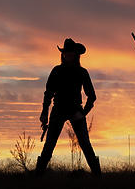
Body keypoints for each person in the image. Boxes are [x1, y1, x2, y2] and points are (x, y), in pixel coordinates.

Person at [34, 38, 100, 176]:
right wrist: (44, 113)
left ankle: (97, 176)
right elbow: (48, 94)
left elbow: (92, 96)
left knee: (85, 144)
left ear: (76, 54)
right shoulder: (57, 71)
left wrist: (83, 113)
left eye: (71, 52)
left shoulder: (82, 72)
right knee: (49, 145)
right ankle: (38, 175)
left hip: (76, 109)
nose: (68, 55)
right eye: (66, 52)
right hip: (58, 109)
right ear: (63, 54)